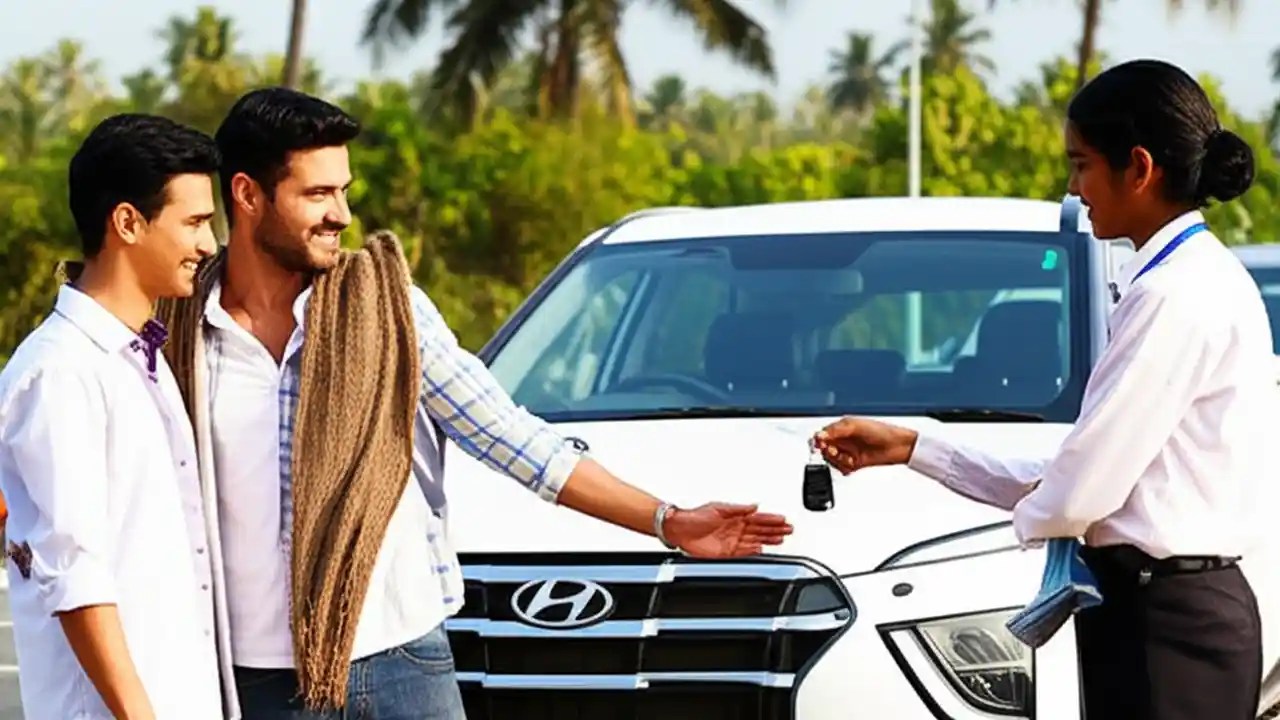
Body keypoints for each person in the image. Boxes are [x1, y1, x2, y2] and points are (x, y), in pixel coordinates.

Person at [153, 86, 794, 720]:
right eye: (318, 194)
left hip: (399, 664)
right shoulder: (176, 332)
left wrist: (667, 520)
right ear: (247, 194)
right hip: (256, 681)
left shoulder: (386, 308)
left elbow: (514, 440)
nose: (342, 215)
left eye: (344, 191)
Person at [813, 59, 1271, 720]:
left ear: (1138, 169)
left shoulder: (1175, 294)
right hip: (1160, 614)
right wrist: (916, 447)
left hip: (1168, 625)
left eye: (1081, 163)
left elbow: (1082, 489)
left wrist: (1033, 523)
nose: (1075, 186)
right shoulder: (1186, 279)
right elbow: (1085, 476)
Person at [0, 114, 222, 719]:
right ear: (128, 222)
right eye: (195, 222)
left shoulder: (141, 358)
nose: (208, 245)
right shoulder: (60, 373)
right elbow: (74, 574)